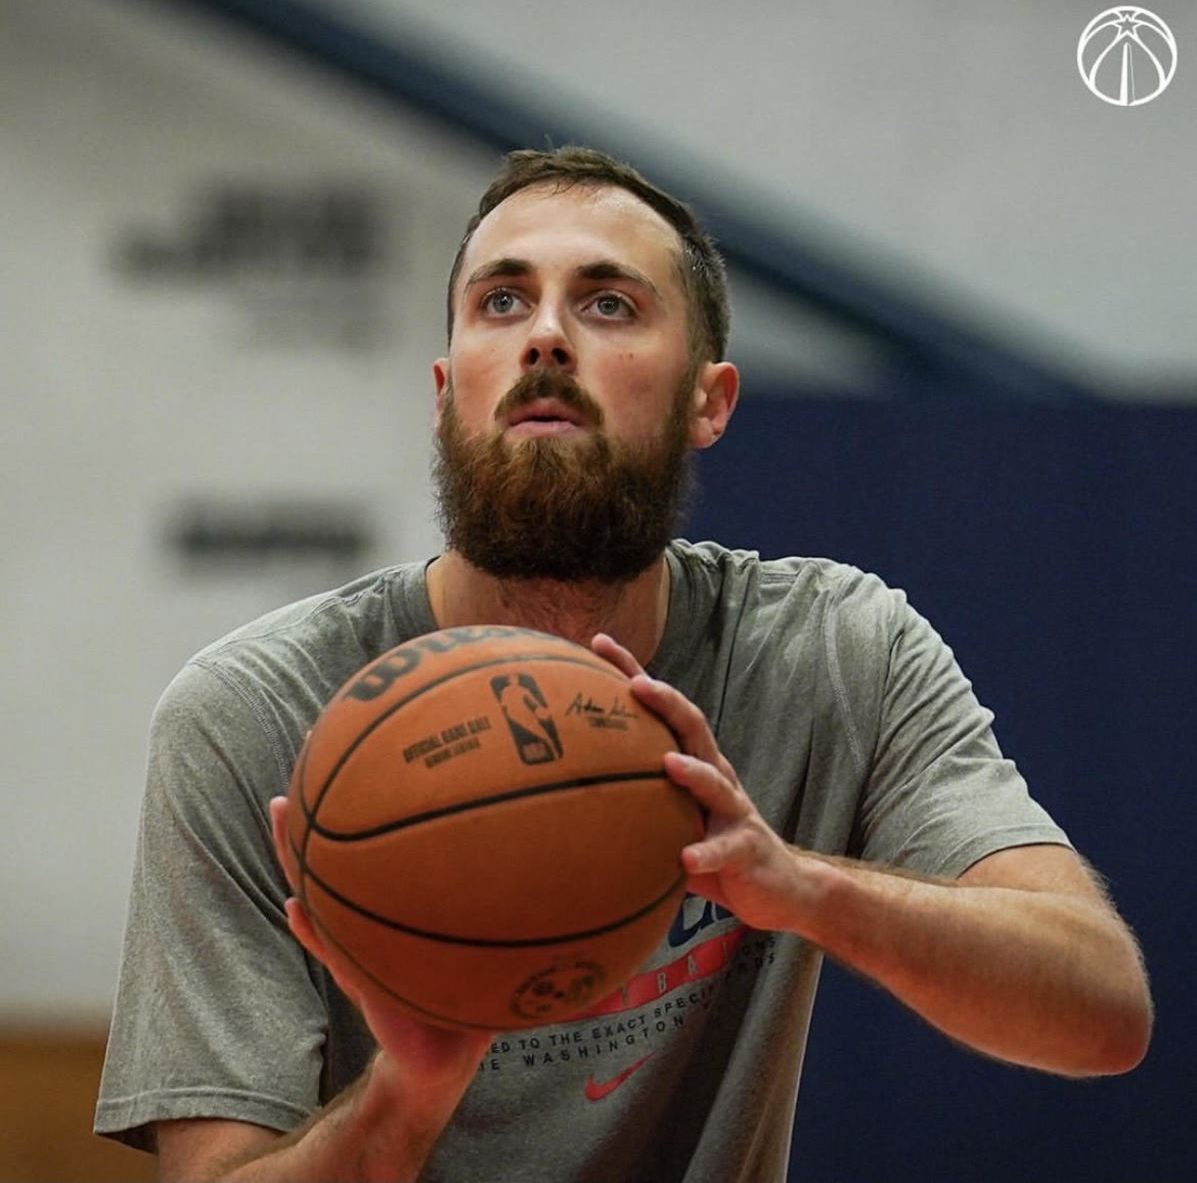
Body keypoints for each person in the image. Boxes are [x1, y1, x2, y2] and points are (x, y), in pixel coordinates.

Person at [95, 146, 1152, 1182]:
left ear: (709, 399)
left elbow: (1100, 1009)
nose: (546, 335)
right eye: (502, 303)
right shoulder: (251, 715)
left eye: (609, 305)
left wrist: (800, 886)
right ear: (445, 387)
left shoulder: (834, 649)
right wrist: (403, 1098)